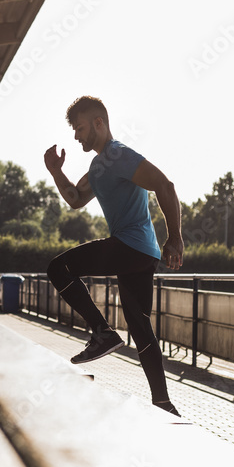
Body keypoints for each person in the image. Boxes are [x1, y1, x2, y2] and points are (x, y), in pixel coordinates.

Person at [44, 95, 184, 415]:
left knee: (59, 268)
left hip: (130, 246)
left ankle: (103, 332)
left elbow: (165, 185)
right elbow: (76, 199)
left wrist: (175, 238)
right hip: (140, 253)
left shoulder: (119, 155)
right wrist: (56, 171)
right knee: (139, 325)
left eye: (80, 128)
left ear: (99, 123)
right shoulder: (99, 166)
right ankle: (163, 402)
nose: (76, 136)